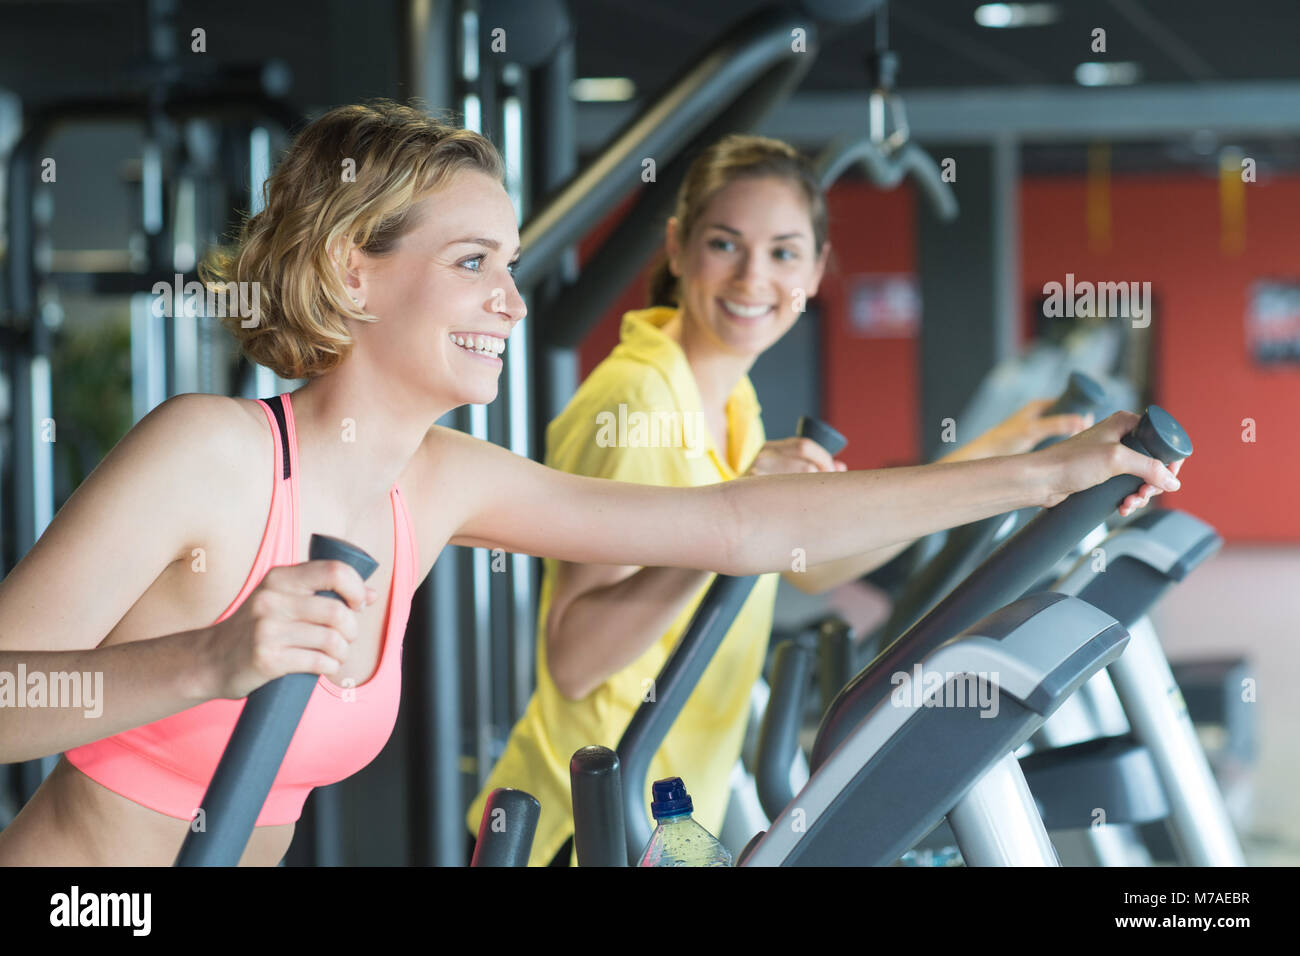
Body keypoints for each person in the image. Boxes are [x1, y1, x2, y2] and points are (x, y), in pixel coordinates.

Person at [0, 102, 1181, 867]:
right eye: (474, 264)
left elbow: (734, 521)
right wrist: (204, 664)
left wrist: (1044, 473)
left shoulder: (439, 479)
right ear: (352, 275)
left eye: (509, 266)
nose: (512, 302)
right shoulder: (211, 451)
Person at [465, 133, 1171, 866]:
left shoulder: (731, 399)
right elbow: (576, 658)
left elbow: (807, 567)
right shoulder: (639, 401)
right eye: (724, 244)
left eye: (783, 253)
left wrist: (993, 448)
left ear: (815, 271)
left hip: (662, 818)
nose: (753, 278)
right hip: (578, 828)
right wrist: (733, 516)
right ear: (676, 248)